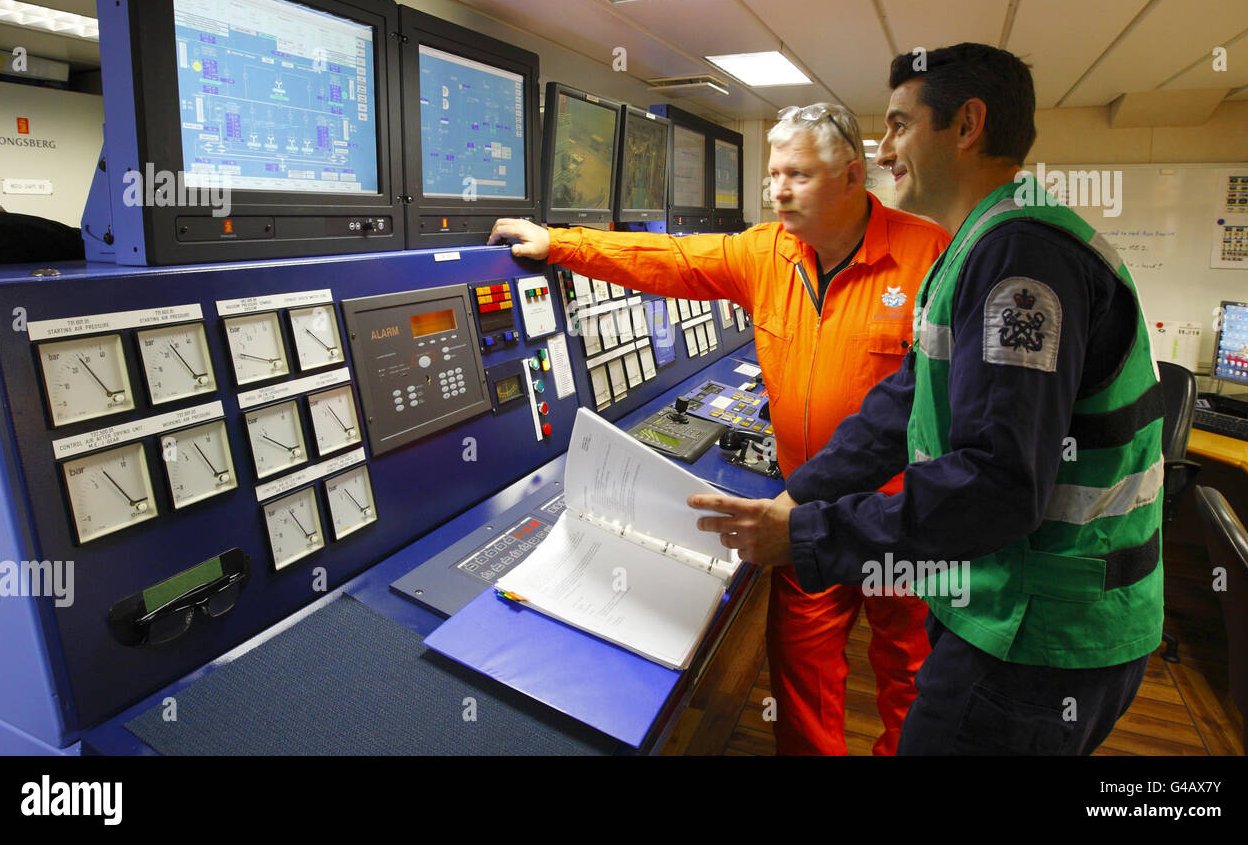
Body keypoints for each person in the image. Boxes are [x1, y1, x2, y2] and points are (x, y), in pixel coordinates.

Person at [691, 43, 1163, 755]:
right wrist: (800, 498)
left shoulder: (1020, 259)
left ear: (967, 125)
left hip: (1043, 628)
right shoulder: (978, 245)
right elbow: (904, 399)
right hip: (1009, 606)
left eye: (899, 126)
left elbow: (999, 483)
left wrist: (810, 536)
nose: (882, 150)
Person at [489, 102, 950, 755]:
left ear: (852, 176)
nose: (780, 191)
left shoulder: (929, 255)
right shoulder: (765, 253)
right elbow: (669, 259)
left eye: (800, 175)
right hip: (803, 512)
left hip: (899, 517)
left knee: (910, 671)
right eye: (774, 175)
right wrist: (560, 244)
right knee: (803, 672)